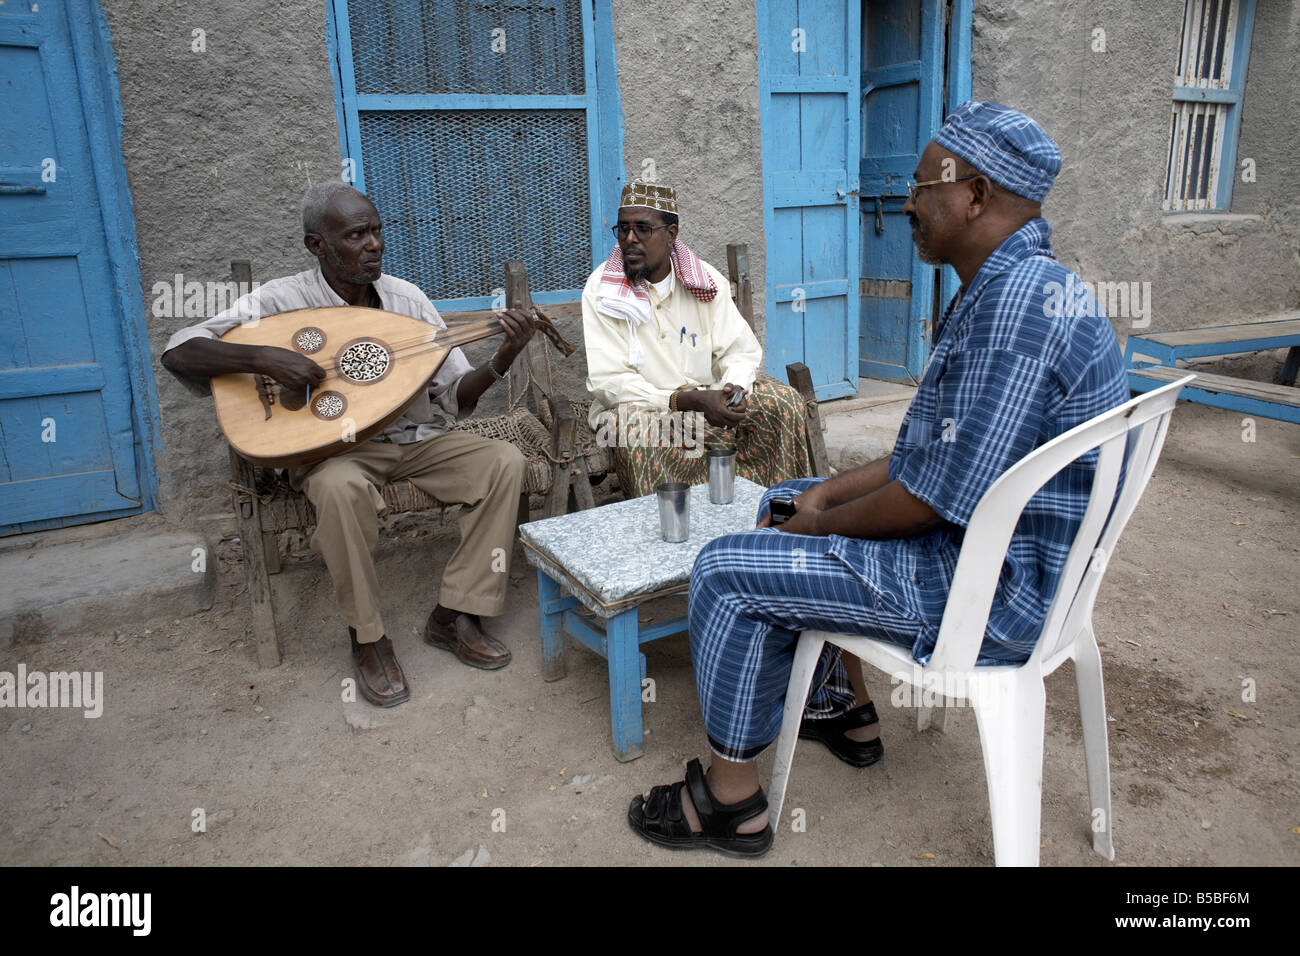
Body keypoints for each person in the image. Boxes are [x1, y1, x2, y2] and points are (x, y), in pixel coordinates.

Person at [627, 102, 1129, 856]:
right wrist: (821, 495)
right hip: (995, 555)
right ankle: (844, 705)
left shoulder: (1017, 312)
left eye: (924, 187)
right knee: (784, 496)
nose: (906, 202)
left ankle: (731, 803)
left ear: (976, 195)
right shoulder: (1016, 283)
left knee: (725, 569)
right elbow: (940, 452)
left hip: (988, 592)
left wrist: (822, 524)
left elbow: (930, 499)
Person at [161, 182, 537, 708]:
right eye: (357, 235)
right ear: (318, 246)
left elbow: (453, 396)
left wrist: (502, 359)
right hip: (330, 453)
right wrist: (263, 359)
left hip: (413, 439)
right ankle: (368, 638)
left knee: (504, 463)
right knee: (338, 490)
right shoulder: (279, 302)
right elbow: (179, 352)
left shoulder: (407, 302)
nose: (374, 244)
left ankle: (457, 615)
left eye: (377, 231)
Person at [581, 180, 811, 498]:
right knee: (634, 428)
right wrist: (683, 402)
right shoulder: (602, 291)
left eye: (642, 229)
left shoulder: (705, 279)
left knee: (784, 404)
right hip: (651, 411)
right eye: (623, 229)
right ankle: (670, 530)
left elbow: (740, 350)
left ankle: (775, 515)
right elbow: (609, 382)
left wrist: (733, 392)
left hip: (711, 402)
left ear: (671, 234)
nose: (630, 239)